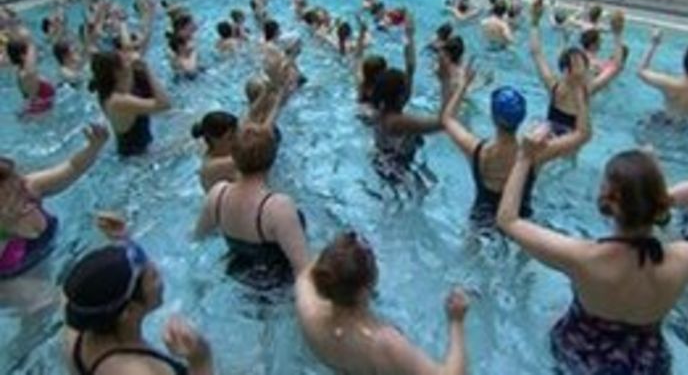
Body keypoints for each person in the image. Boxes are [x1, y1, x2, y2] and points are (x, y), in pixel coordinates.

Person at [497, 147, 688, 375]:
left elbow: (508, 220)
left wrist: (525, 157)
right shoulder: (682, 260)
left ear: (606, 202)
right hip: (648, 364)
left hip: (580, 359)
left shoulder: (582, 257)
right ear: (660, 201)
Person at [296, 232, 470, 375]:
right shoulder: (383, 344)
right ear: (366, 290)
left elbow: (311, 270)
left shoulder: (307, 304)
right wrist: (456, 322)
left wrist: (343, 256)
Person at [442, 62, 591, 228]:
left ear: (492, 117)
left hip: (480, 222)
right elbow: (582, 135)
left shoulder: (476, 150)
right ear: (522, 118)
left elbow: (447, 119)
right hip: (520, 226)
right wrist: (579, 92)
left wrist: (463, 86)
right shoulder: (534, 154)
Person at [63, 237, 215, 375]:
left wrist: (122, 239)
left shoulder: (76, 330)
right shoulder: (139, 371)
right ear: (128, 311)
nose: (161, 274)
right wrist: (201, 359)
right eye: (154, 277)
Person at [194, 125, 307, 291]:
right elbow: (303, 268)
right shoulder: (278, 206)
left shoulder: (217, 194)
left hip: (236, 276)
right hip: (277, 290)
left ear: (233, 156)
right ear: (273, 158)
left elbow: (197, 237)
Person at [0, 124, 107, 284]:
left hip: (50, 251)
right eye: (10, 194)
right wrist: (7, 228)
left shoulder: (31, 188)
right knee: (43, 303)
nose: (22, 187)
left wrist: (93, 148)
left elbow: (72, 167)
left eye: (18, 179)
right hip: (15, 278)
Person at [369, 14, 444, 183]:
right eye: (407, 88)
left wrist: (409, 37)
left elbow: (410, 69)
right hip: (396, 169)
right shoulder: (398, 121)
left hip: (386, 159)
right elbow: (442, 123)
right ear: (400, 96)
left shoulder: (381, 110)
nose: (411, 89)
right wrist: (448, 83)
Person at [89, 51, 171, 157]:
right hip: (137, 158)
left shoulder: (120, 86)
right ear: (117, 71)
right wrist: (147, 69)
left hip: (145, 149)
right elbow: (165, 105)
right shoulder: (117, 101)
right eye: (125, 59)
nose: (129, 57)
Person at [5, 37, 57, 116]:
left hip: (38, 114)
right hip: (37, 118)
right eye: (31, 52)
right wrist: (30, 43)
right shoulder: (27, 74)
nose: (37, 53)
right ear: (22, 56)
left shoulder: (25, 72)